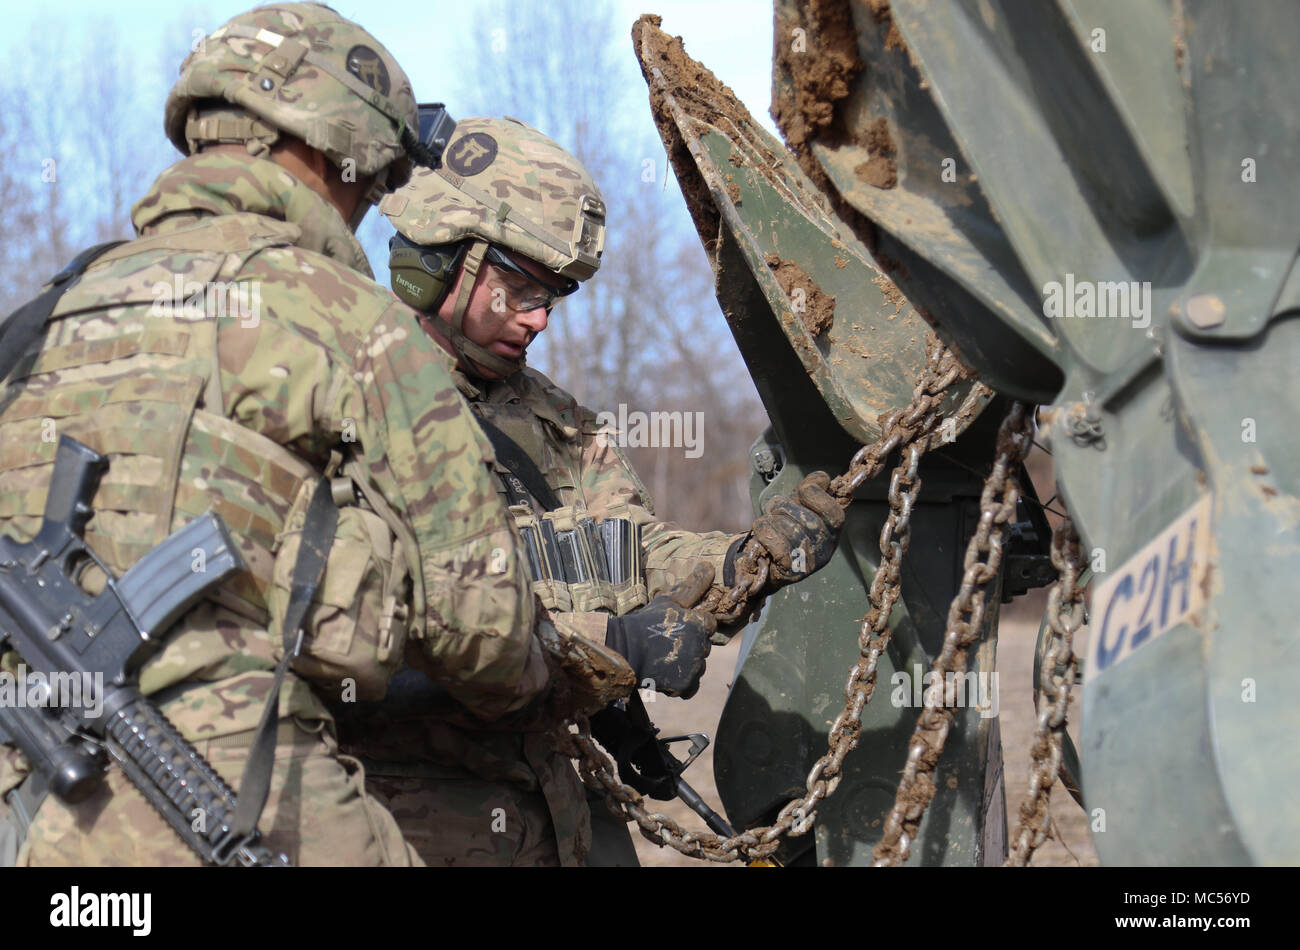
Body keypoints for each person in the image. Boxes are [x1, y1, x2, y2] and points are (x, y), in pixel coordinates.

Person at [0, 4, 546, 866]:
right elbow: (486, 634)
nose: (364, 207)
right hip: (227, 787)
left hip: (31, 796)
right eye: (370, 184)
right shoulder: (349, 319)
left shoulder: (43, 318)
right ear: (337, 153)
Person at [370, 116, 845, 865]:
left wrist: (745, 561)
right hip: (416, 820)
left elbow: (625, 550)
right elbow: (385, 630)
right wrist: (612, 644)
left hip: (567, 810)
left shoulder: (553, 417)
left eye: (554, 296)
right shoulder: (348, 399)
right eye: (520, 287)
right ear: (436, 257)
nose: (538, 320)